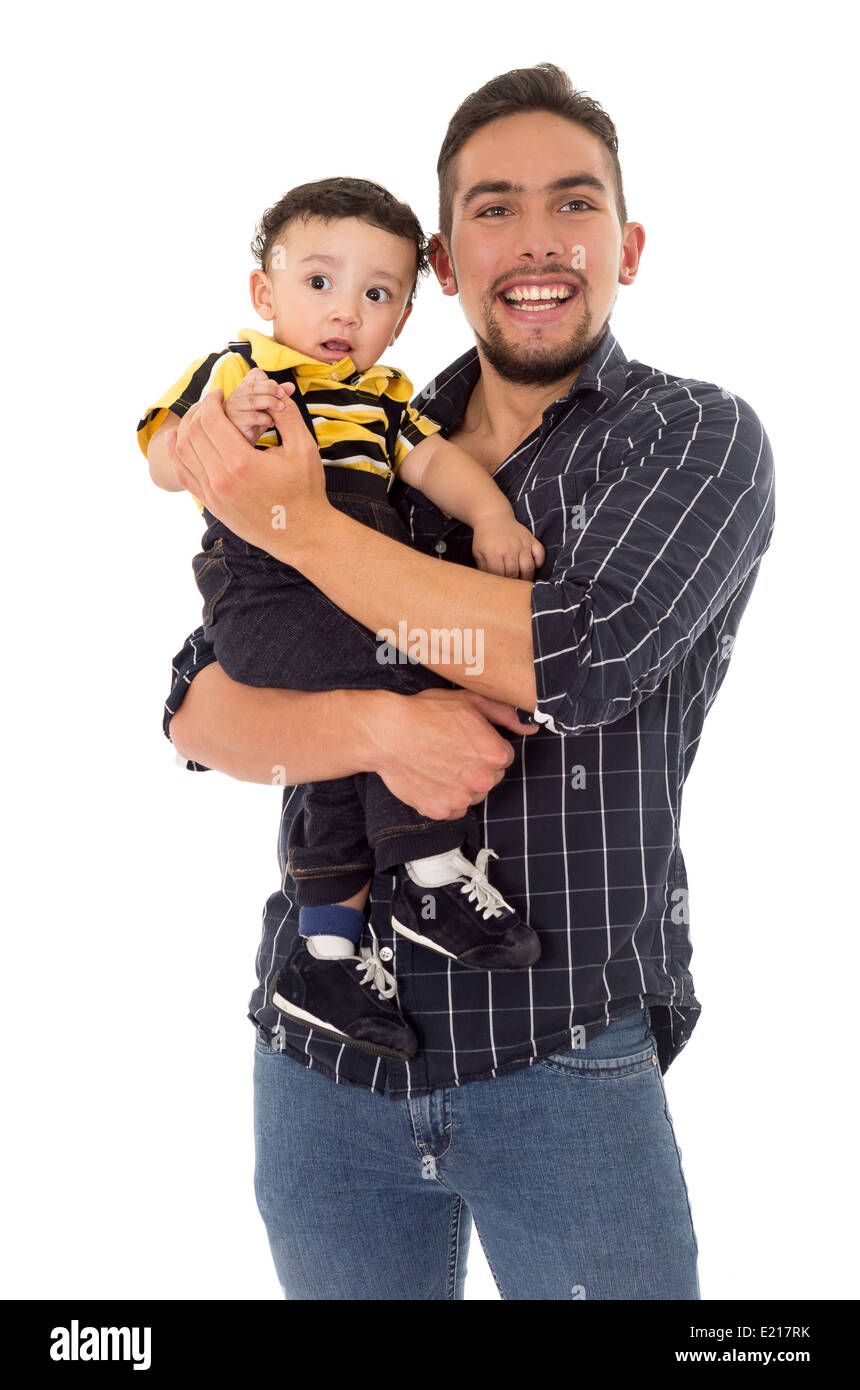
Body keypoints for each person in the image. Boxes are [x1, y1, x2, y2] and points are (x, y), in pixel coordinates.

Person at [161, 63, 775, 1299]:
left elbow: (575, 656)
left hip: (556, 1057)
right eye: (493, 208)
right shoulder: (342, 424)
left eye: (572, 203)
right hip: (321, 1061)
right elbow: (200, 706)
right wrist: (379, 724)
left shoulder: (690, 437)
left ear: (628, 243)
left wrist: (302, 532)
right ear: (443, 260)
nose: (536, 241)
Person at [139, 178, 545, 1062]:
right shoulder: (243, 372)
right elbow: (161, 457)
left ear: (399, 320)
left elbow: (436, 466)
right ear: (265, 294)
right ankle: (431, 871)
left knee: (332, 757)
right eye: (318, 282)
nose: (344, 311)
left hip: (352, 589)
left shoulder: (388, 397)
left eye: (376, 295)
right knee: (408, 659)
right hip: (265, 598)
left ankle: (326, 951)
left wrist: (489, 518)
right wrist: (211, 433)